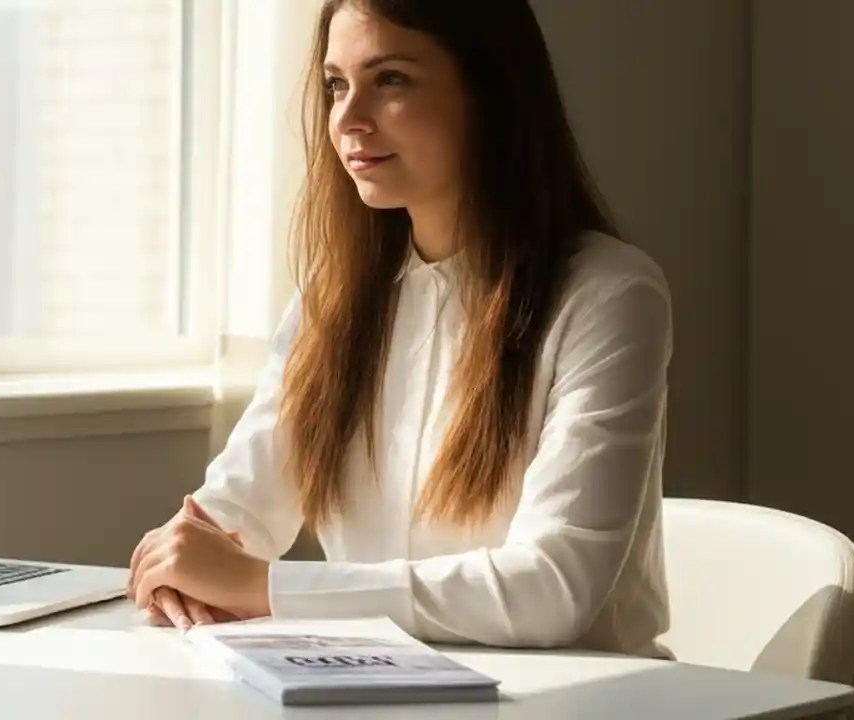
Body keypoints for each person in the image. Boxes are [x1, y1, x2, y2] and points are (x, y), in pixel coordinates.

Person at [127, 0, 673, 657]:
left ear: (490, 93)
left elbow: (552, 588)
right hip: (374, 685)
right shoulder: (333, 299)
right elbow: (228, 518)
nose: (347, 119)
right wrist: (180, 563)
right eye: (336, 85)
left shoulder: (609, 294)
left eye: (390, 79)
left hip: (579, 695)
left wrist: (262, 586)